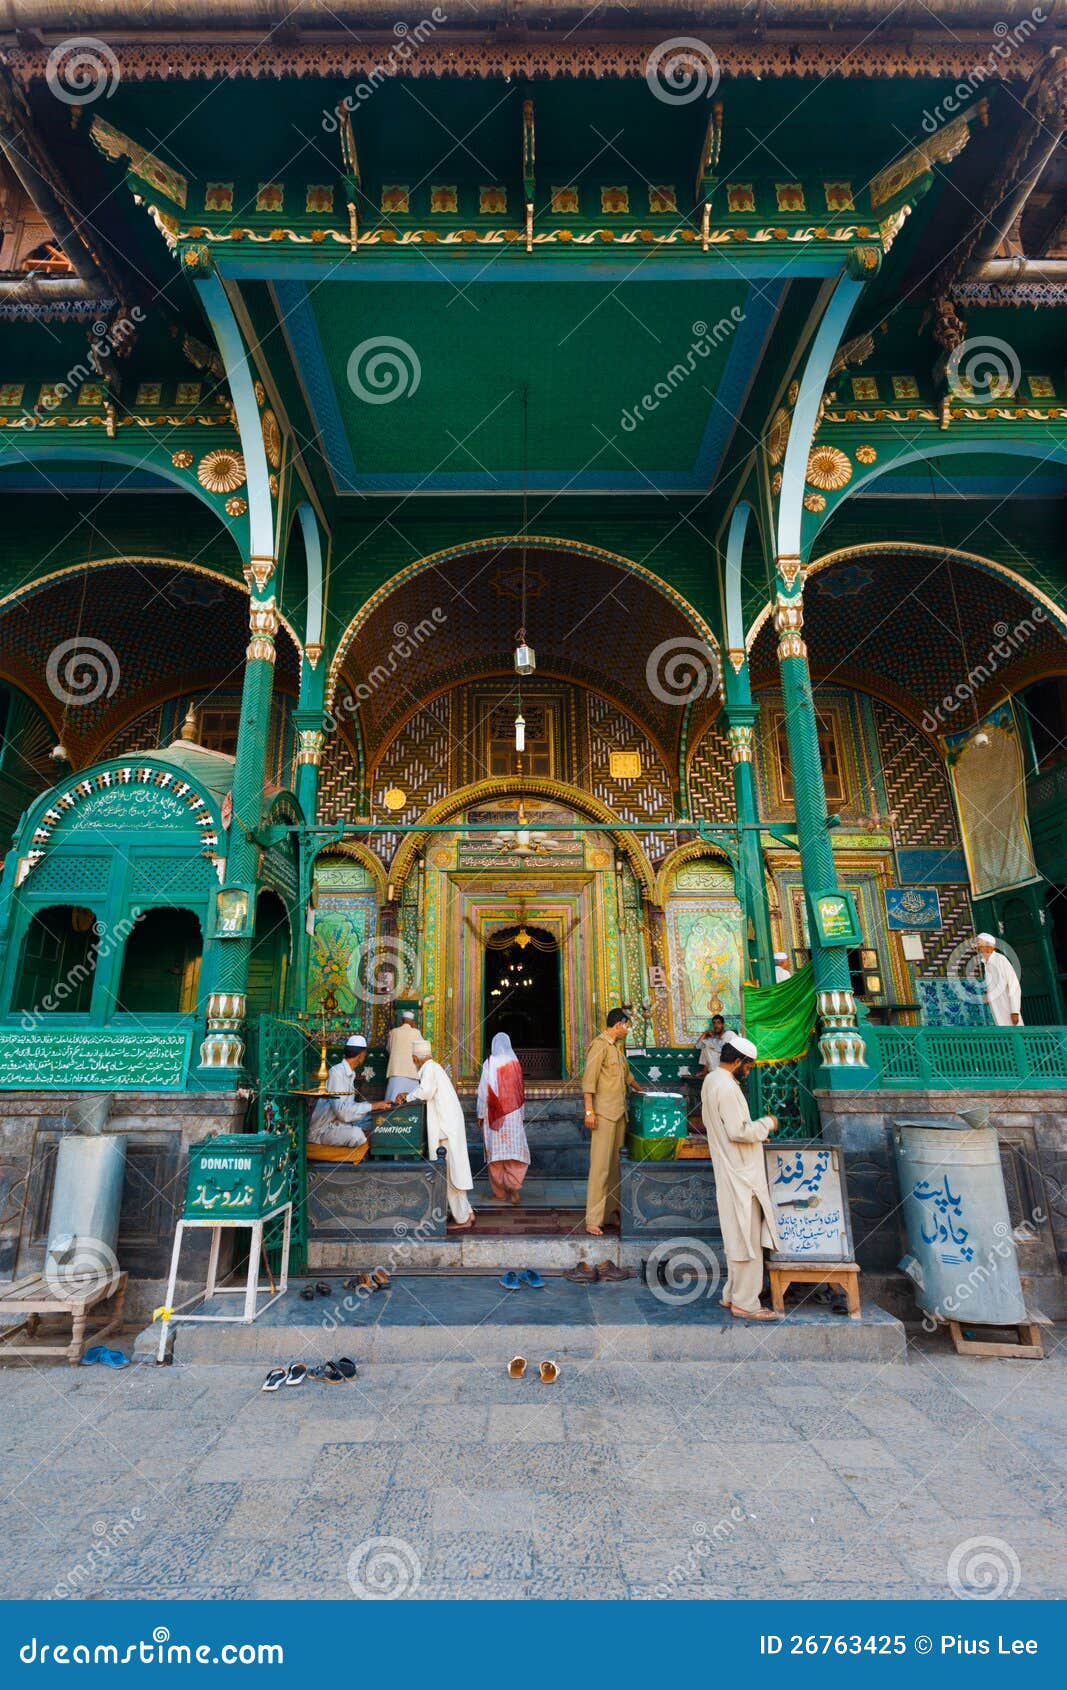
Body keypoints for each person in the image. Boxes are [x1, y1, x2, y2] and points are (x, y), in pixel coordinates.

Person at [701, 1033, 780, 1320]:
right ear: (738, 1061)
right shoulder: (727, 1086)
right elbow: (738, 1131)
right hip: (742, 1174)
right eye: (748, 1065)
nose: (749, 1070)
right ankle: (746, 1303)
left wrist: (756, 1135)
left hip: (729, 1168)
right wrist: (766, 1125)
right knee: (747, 1240)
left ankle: (731, 1294)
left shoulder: (712, 1080)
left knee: (736, 1236)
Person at [580, 1007, 643, 1238]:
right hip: (603, 1114)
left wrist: (643, 1092)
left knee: (616, 1167)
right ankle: (593, 1219)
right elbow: (589, 1081)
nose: (628, 1029)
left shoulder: (616, 1049)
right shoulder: (599, 1045)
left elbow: (627, 1077)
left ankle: (610, 1213)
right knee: (600, 1167)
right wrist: (589, 1111)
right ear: (618, 1023)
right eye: (627, 1025)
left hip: (619, 1113)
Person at [402, 1038, 476, 1229]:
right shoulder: (434, 1067)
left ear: (415, 1058)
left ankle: (462, 1219)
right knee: (455, 1172)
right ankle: (467, 1212)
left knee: (449, 1175)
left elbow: (425, 1092)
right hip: (450, 1128)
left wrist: (406, 1098)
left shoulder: (428, 1068)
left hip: (445, 1131)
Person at [308, 1034, 394, 1147]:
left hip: (340, 1123)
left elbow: (348, 1107)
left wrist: (373, 1107)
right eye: (365, 1053)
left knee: (373, 1121)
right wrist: (372, 1106)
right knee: (357, 1135)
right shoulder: (337, 1073)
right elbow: (342, 1113)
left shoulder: (349, 1073)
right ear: (361, 1054)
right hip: (323, 1130)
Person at [476, 1032, 530, 1206]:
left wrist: (480, 1115)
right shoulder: (515, 1063)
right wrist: (521, 1113)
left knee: (496, 1156)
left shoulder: (489, 1063)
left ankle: (500, 1193)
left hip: (494, 1114)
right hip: (513, 1115)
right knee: (514, 1153)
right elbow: (519, 1091)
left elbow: (484, 1092)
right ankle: (513, 1185)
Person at [977, 933, 1023, 1026]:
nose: (977, 948)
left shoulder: (1001, 960)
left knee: (1016, 1032)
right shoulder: (986, 963)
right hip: (997, 1007)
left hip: (1008, 1007)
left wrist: (1015, 1011)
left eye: (979, 944)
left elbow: (1013, 985)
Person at [385, 1008, 422, 1101]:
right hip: (412, 1072)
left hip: (396, 1071)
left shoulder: (393, 1032)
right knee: (412, 1101)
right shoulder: (416, 1032)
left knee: (393, 1101)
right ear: (413, 1022)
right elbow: (420, 1052)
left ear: (402, 1021)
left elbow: (389, 1049)